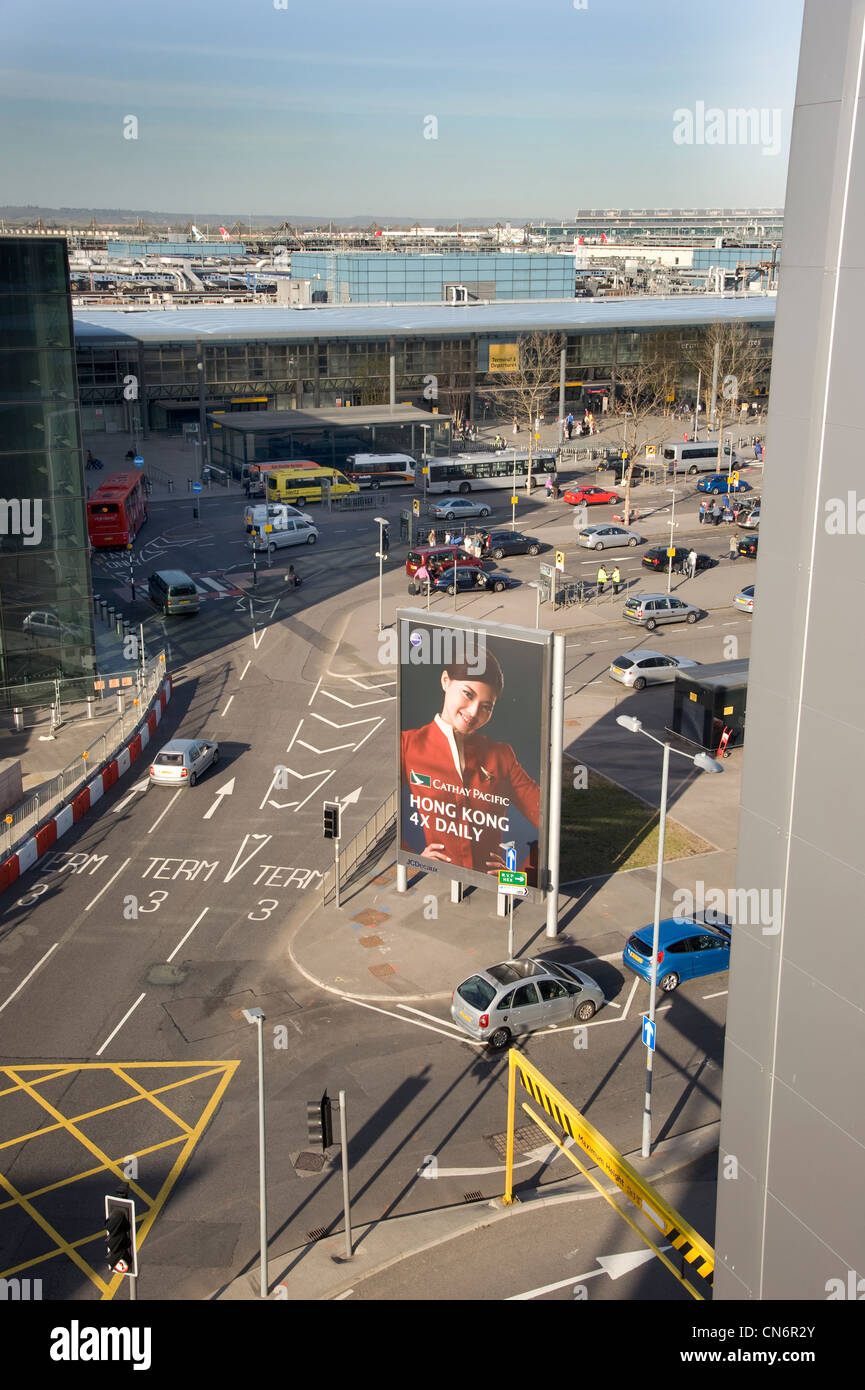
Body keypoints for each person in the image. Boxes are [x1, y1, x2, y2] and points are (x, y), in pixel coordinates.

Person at [399, 652, 541, 879]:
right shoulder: (407, 745)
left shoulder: (501, 756)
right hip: (436, 883)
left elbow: (551, 820)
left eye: (486, 706)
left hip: (490, 892)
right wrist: (414, 864)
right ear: (446, 681)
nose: (474, 712)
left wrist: (518, 878)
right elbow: (373, 816)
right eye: (467, 694)